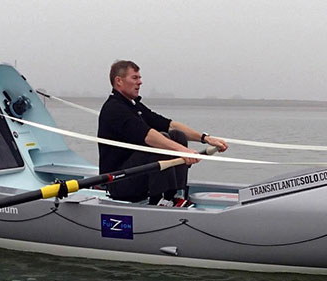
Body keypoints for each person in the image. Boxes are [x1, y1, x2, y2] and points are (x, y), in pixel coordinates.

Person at [98, 60, 229, 206]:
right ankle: (159, 200)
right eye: (135, 78)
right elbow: (148, 136)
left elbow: (169, 124)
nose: (140, 82)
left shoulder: (134, 106)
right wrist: (184, 151)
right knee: (160, 141)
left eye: (140, 78)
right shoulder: (114, 109)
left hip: (138, 176)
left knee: (177, 135)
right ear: (119, 81)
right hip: (119, 182)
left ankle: (174, 195)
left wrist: (206, 138)